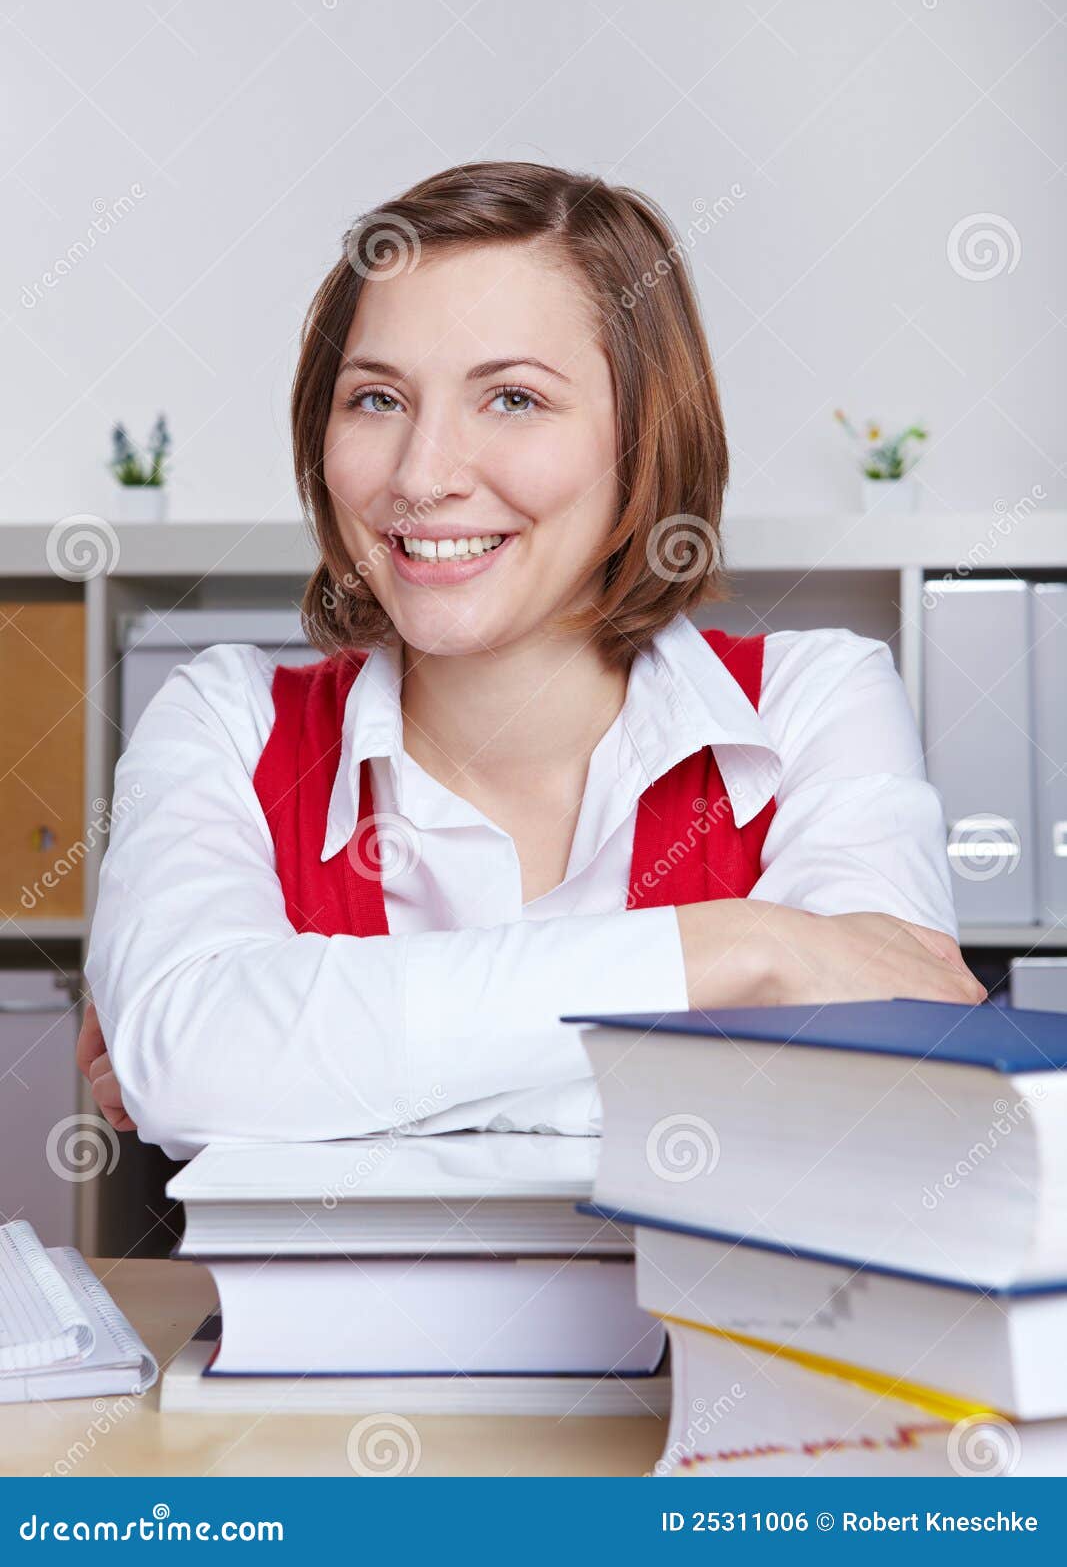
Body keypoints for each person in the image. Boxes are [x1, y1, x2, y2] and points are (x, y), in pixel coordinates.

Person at [79, 161, 983, 1161]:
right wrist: (738, 950)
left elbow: (860, 1110)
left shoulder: (812, 705)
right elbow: (193, 1062)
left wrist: (299, 1066)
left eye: (511, 398)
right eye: (375, 398)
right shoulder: (225, 718)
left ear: (641, 439)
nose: (422, 477)